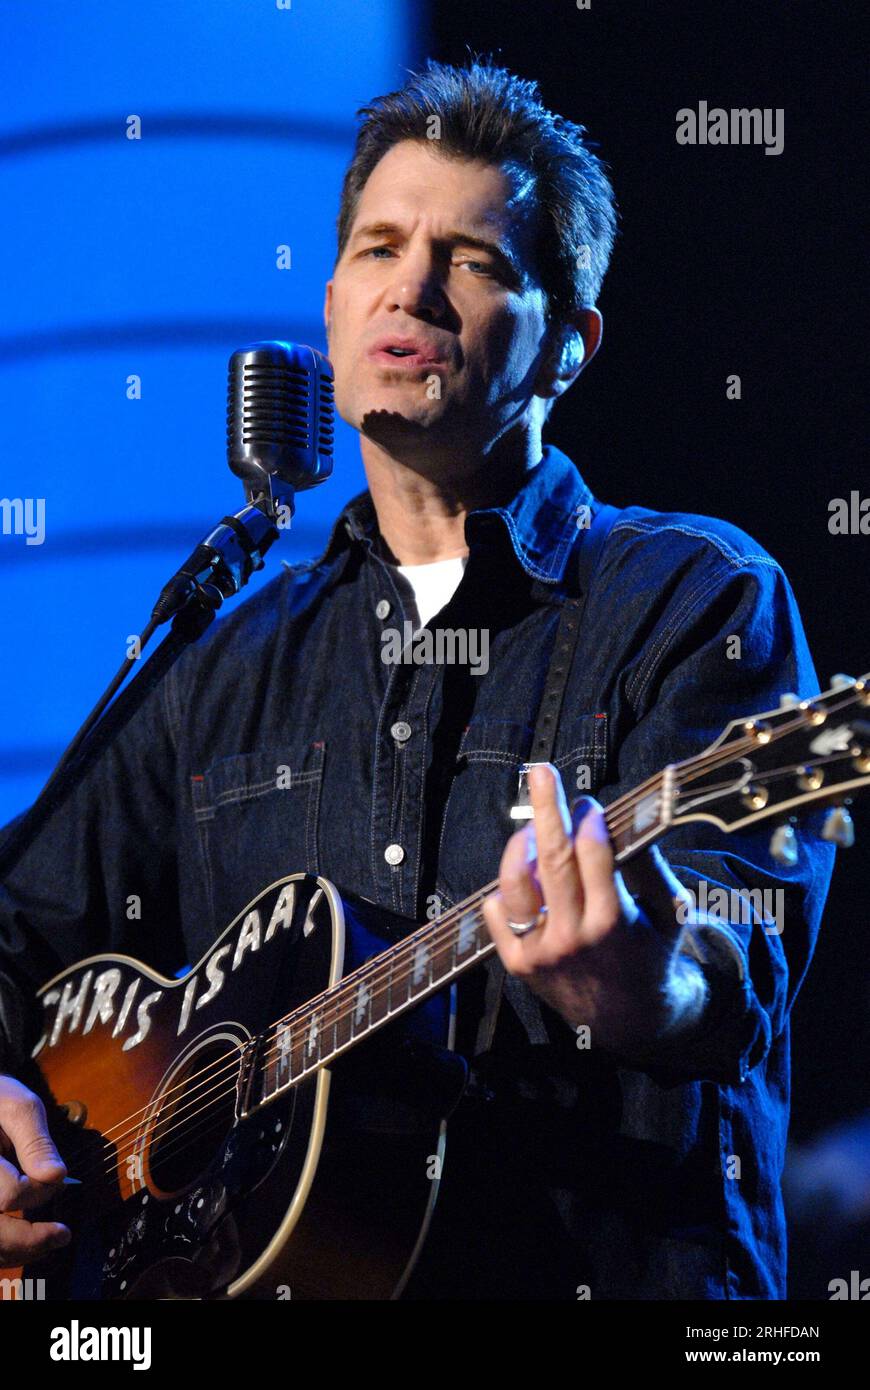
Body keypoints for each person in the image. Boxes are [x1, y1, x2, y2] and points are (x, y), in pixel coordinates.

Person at [0, 57, 833, 1300]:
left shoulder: (695, 598)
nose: (416, 286)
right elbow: (18, 942)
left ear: (569, 346)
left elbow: (738, 953)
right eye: (381, 246)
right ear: (333, 303)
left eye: (476, 260)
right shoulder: (223, 655)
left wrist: (651, 982)